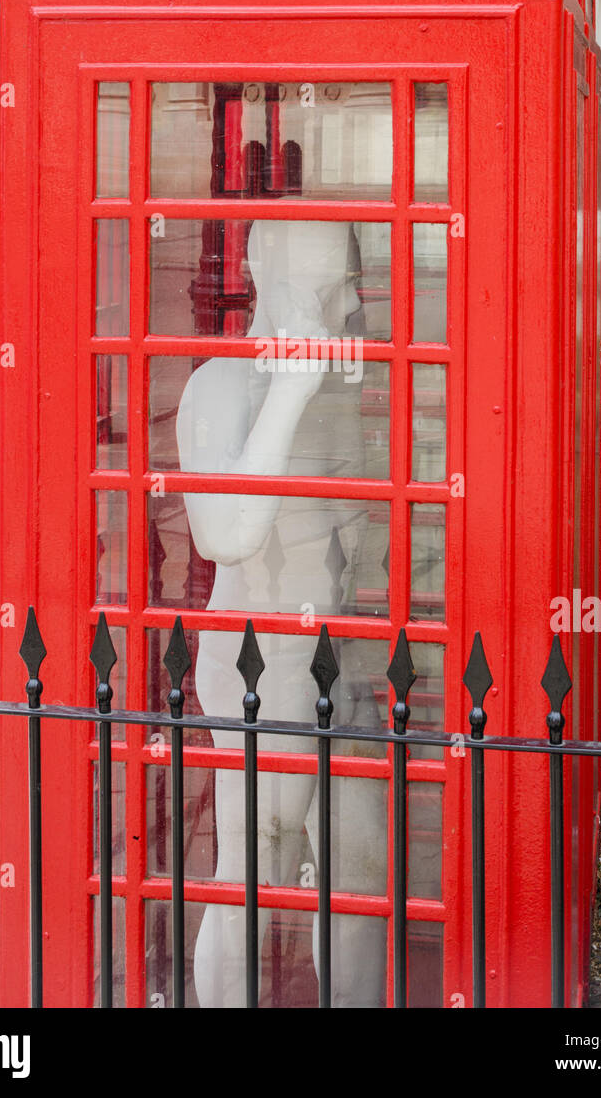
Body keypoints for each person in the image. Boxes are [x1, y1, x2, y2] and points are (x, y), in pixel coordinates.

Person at [176, 217, 388, 1007]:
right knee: (253, 872)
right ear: (261, 272)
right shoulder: (219, 386)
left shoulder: (345, 380)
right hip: (259, 663)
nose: (338, 306)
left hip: (348, 653)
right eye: (317, 285)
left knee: (361, 881)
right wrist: (291, 387)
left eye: (348, 284)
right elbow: (224, 532)